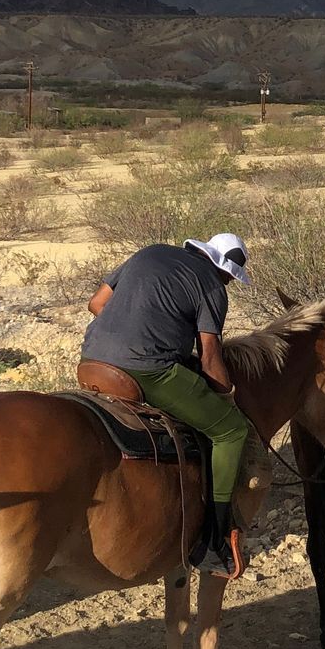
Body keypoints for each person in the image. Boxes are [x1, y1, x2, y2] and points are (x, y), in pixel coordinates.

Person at [81, 234, 255, 579]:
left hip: (93, 358)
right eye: (231, 278)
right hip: (147, 371)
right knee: (231, 431)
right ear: (225, 270)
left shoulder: (150, 251)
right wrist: (225, 395)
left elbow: (96, 304)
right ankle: (214, 535)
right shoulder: (212, 286)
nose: (228, 284)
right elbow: (210, 358)